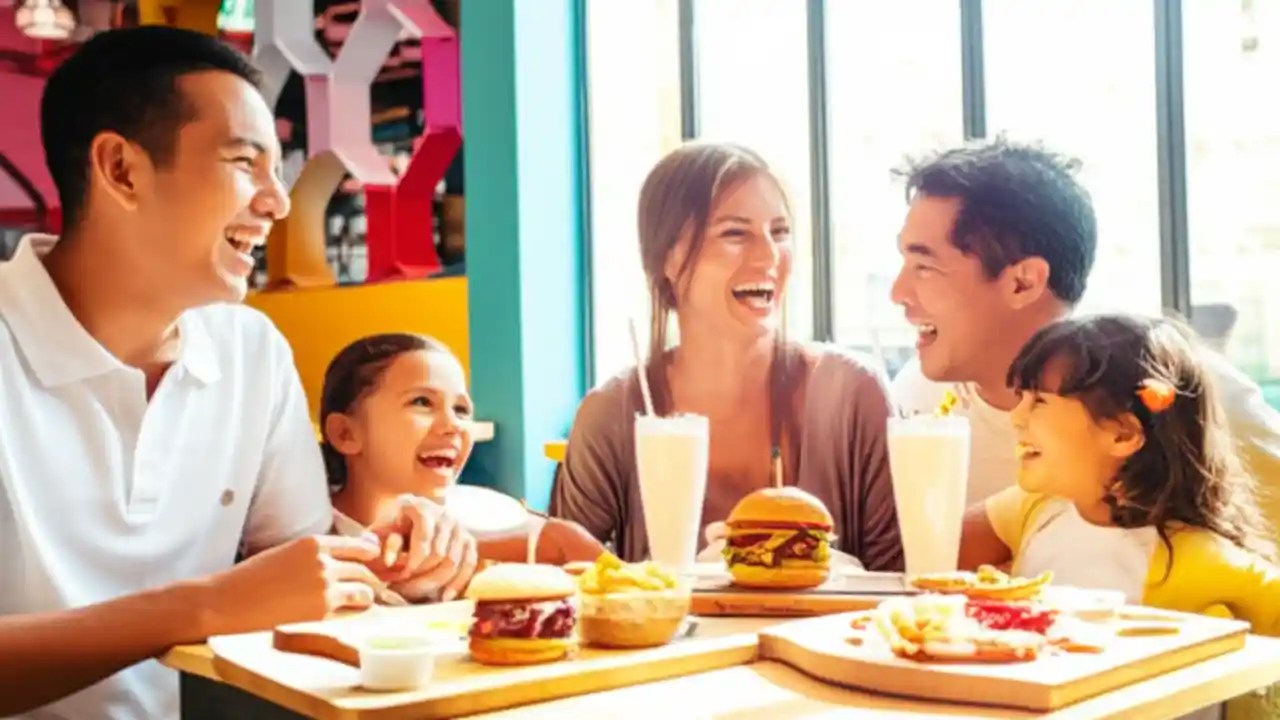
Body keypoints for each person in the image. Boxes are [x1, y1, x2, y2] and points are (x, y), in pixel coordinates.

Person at [0, 28, 438, 719]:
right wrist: (202, 606)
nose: (279, 202)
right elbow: (232, 602)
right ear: (120, 170)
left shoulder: (249, 351)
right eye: (244, 163)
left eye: (278, 171)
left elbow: (305, 576)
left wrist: (397, 561)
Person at [889, 138, 1280, 534]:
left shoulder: (1182, 395)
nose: (897, 293)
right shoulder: (915, 406)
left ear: (1023, 283)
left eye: (924, 267)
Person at [552, 142, 904, 571]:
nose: (769, 256)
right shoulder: (612, 415)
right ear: (668, 257)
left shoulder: (853, 396)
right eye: (735, 234)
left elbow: (902, 584)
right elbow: (565, 582)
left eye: (779, 232)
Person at [959, 315, 1280, 635]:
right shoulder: (1034, 508)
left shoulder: (1203, 562)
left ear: (1122, 434)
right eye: (1022, 398)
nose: (1015, 416)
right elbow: (937, 555)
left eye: (1039, 401)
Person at [320, 333, 606, 590]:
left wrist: (559, 541)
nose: (453, 425)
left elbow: (578, 552)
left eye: (460, 409)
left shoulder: (489, 514)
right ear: (345, 434)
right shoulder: (310, 540)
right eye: (421, 402)